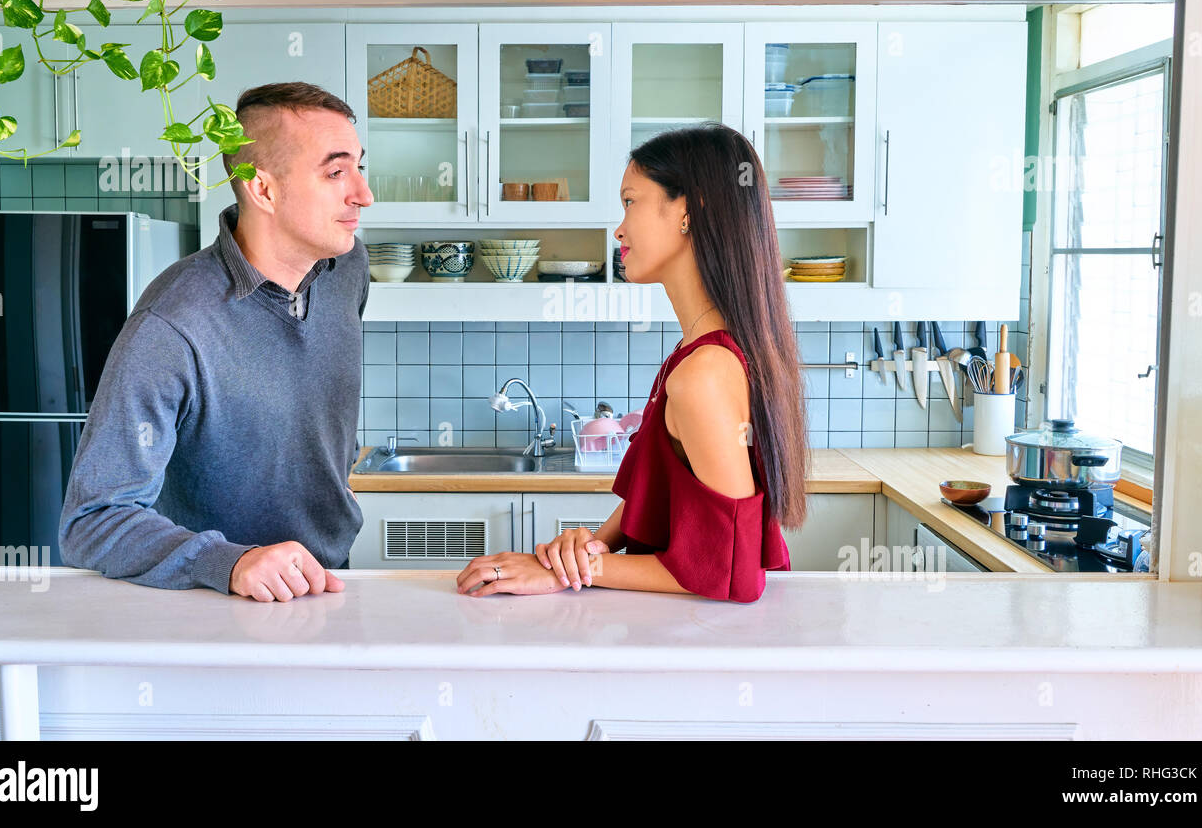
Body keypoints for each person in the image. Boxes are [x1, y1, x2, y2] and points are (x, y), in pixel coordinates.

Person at [455, 123, 807, 603]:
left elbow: (733, 572)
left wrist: (575, 572)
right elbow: (662, 495)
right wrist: (584, 553)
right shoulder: (695, 354)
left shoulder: (703, 373)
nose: (619, 229)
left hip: (705, 645)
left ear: (688, 210)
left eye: (630, 202)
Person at [59, 82, 374, 602]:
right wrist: (231, 562)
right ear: (263, 189)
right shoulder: (172, 326)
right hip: (214, 597)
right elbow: (92, 520)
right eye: (336, 172)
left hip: (331, 578)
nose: (362, 193)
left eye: (360, 167)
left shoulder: (348, 267)